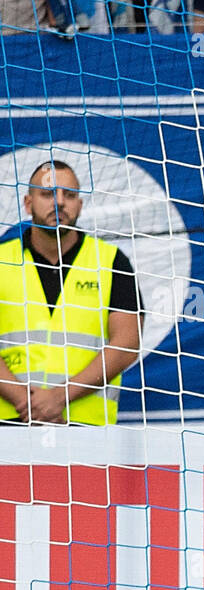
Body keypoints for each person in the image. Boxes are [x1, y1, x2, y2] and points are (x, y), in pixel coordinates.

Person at [0, 161, 142, 425]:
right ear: (28, 203)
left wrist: (59, 397)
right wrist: (28, 401)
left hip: (86, 428)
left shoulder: (110, 261)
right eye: (47, 194)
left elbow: (127, 345)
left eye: (69, 195)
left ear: (80, 205)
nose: (59, 203)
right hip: (8, 425)